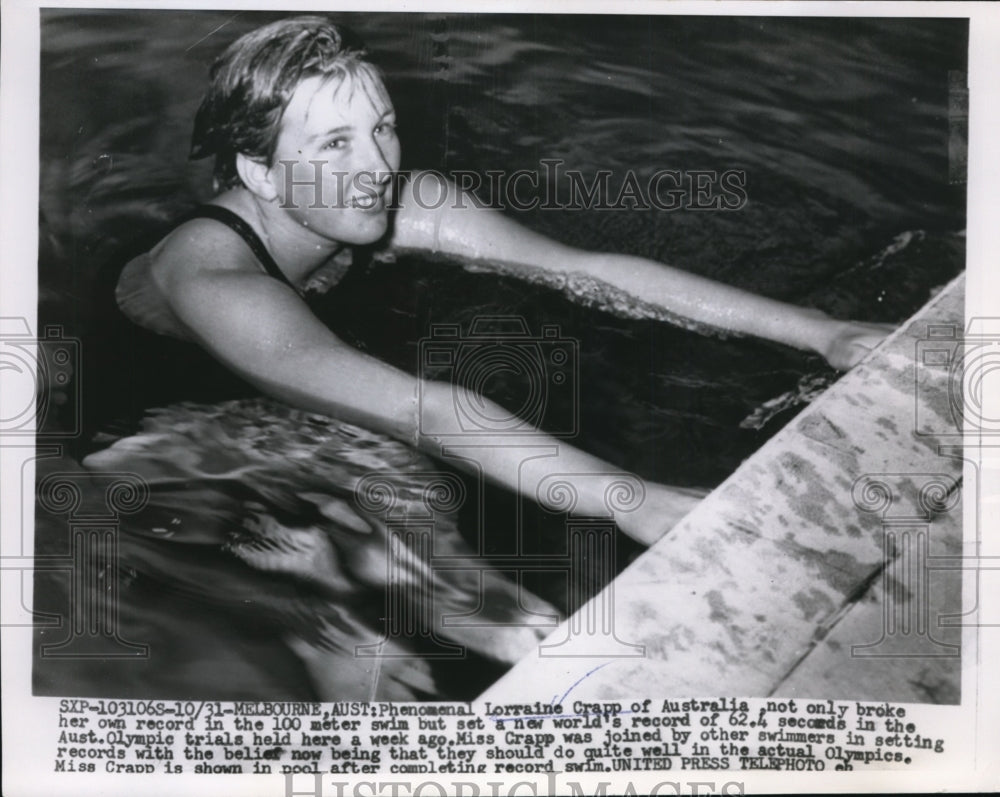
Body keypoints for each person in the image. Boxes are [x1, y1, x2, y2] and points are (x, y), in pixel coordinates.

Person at [111, 15, 889, 549]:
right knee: (388, 482)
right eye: (336, 143)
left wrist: (822, 331)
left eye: (382, 127)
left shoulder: (394, 199)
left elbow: (585, 273)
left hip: (319, 322)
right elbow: (430, 409)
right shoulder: (217, 282)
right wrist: (636, 499)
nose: (376, 167)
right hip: (166, 397)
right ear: (258, 170)